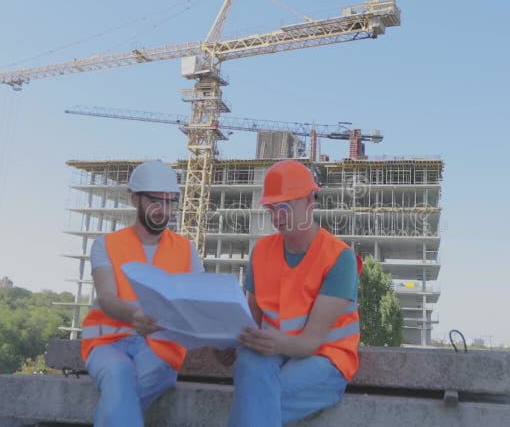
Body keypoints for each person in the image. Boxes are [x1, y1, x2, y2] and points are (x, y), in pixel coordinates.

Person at [229, 159, 362, 426]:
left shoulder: (339, 258)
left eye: (284, 207)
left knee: (258, 399)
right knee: (248, 362)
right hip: (274, 354)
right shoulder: (261, 252)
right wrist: (230, 340)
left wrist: (264, 342)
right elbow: (252, 322)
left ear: (310, 201)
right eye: (271, 209)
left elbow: (309, 343)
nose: (277, 217)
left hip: (326, 360)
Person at [79, 160, 205, 427]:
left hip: (161, 348)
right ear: (135, 199)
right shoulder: (106, 245)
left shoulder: (186, 250)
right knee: (119, 371)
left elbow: (199, 302)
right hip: (107, 343)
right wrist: (134, 314)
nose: (164, 210)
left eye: (170, 201)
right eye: (156, 201)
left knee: (123, 388)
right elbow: (106, 297)